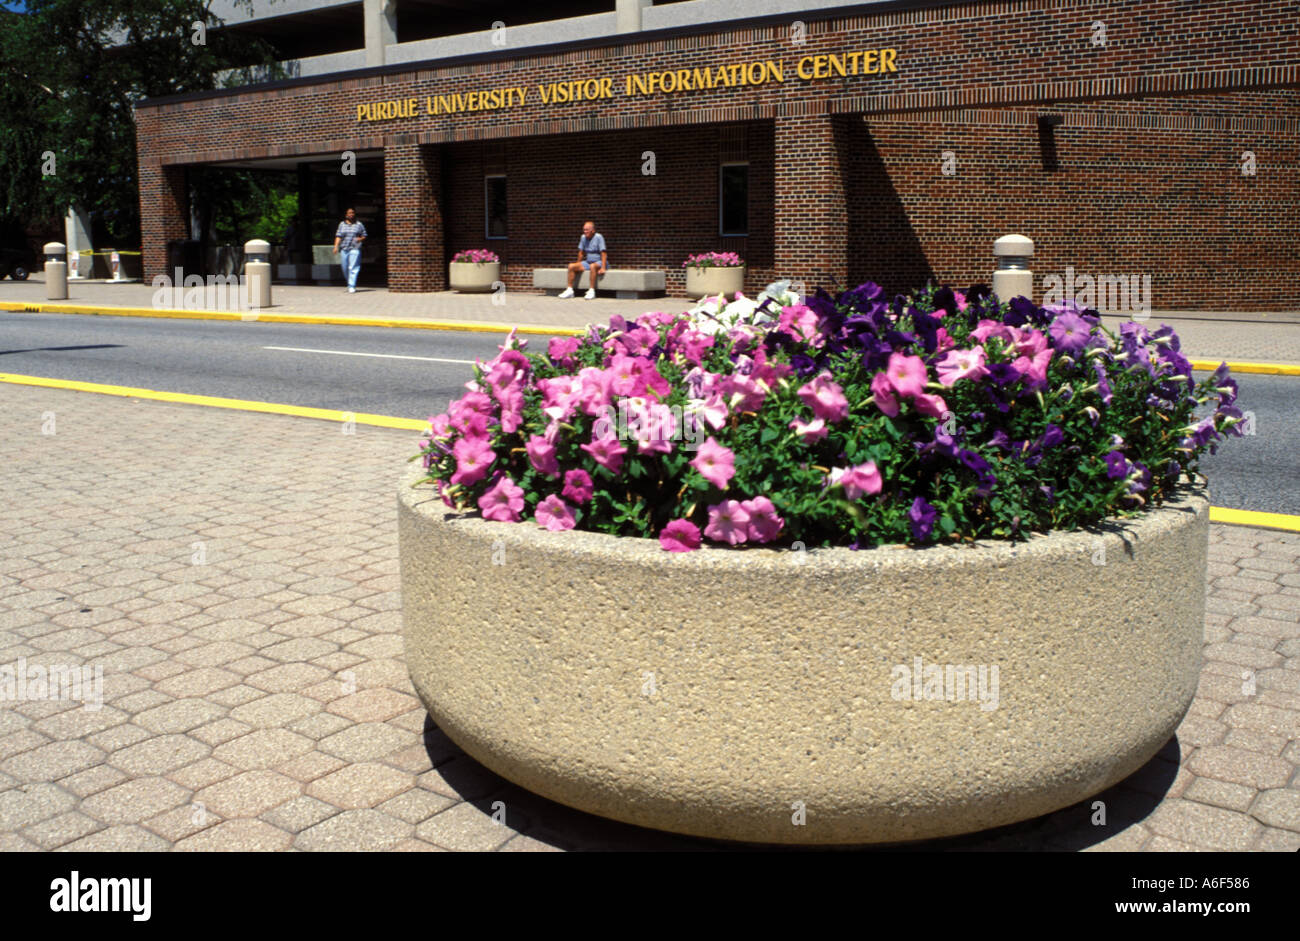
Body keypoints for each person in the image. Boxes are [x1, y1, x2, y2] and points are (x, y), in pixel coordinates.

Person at [558, 221, 606, 299]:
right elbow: (581, 252)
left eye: (587, 230)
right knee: (571, 266)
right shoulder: (583, 237)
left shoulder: (598, 237)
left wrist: (603, 267)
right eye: (584, 230)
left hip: (599, 261)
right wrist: (578, 264)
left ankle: (591, 291)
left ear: (593, 230)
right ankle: (569, 290)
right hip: (588, 262)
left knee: (593, 266)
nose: (585, 232)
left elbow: (603, 253)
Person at [333, 207, 367, 293]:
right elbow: (338, 236)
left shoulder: (359, 224)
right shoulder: (342, 224)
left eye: (352, 213)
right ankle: (349, 283)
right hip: (344, 248)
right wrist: (336, 246)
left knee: (353, 267)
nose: (351, 214)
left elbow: (364, 234)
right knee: (345, 268)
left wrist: (360, 239)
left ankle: (352, 286)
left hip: (355, 248)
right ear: (346, 215)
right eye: (349, 213)